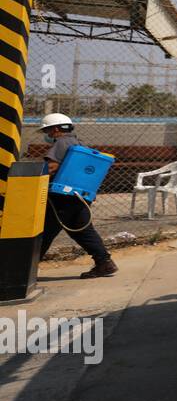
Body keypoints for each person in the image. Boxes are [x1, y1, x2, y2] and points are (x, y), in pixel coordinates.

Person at [36, 113, 117, 278]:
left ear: (56, 129)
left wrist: (32, 175)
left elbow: (51, 167)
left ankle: (23, 270)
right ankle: (104, 263)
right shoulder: (80, 144)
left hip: (61, 197)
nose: (48, 135)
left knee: (43, 231)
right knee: (82, 230)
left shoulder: (61, 142)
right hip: (79, 196)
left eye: (48, 131)